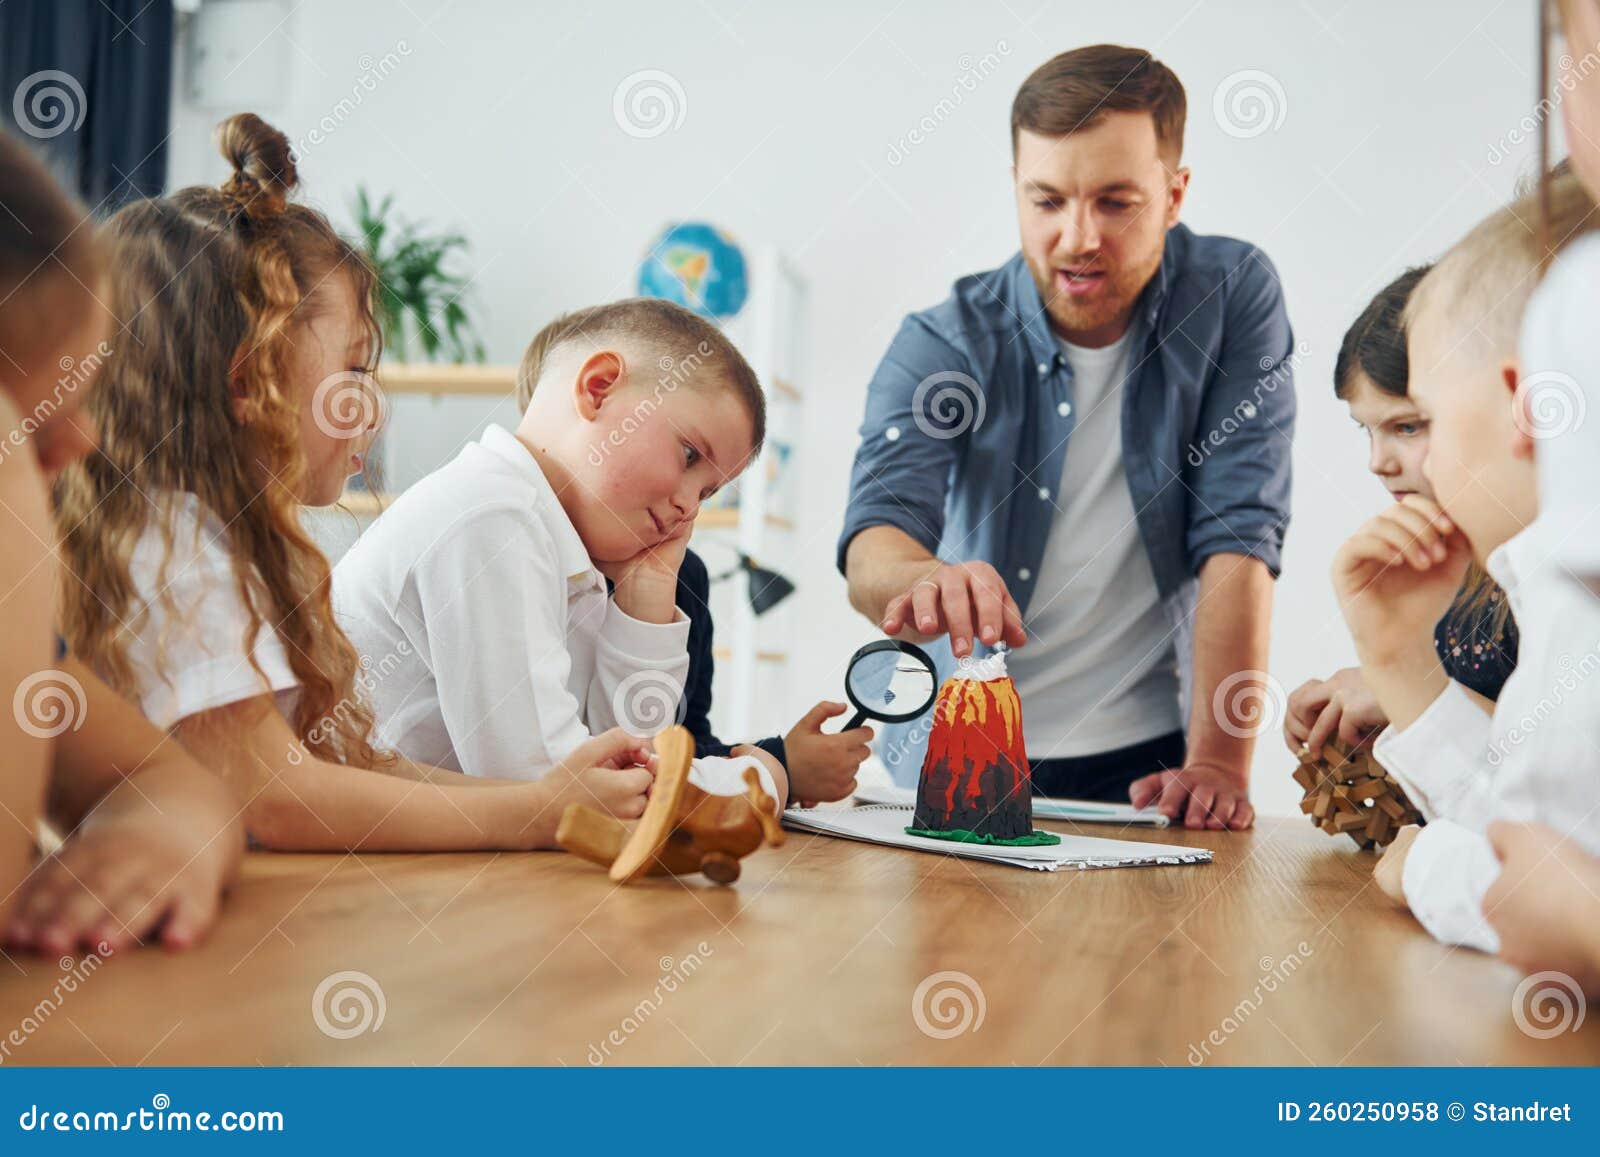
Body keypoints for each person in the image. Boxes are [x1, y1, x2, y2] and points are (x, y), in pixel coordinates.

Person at [839, 45, 1295, 828]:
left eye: (1115, 202)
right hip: (957, 751)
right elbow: (872, 543)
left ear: (1174, 192)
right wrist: (925, 578)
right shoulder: (945, 342)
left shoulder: (1229, 298)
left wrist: (1219, 761)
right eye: (1046, 201)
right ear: (1016, 191)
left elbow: (1239, 532)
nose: (1079, 237)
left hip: (1151, 762)